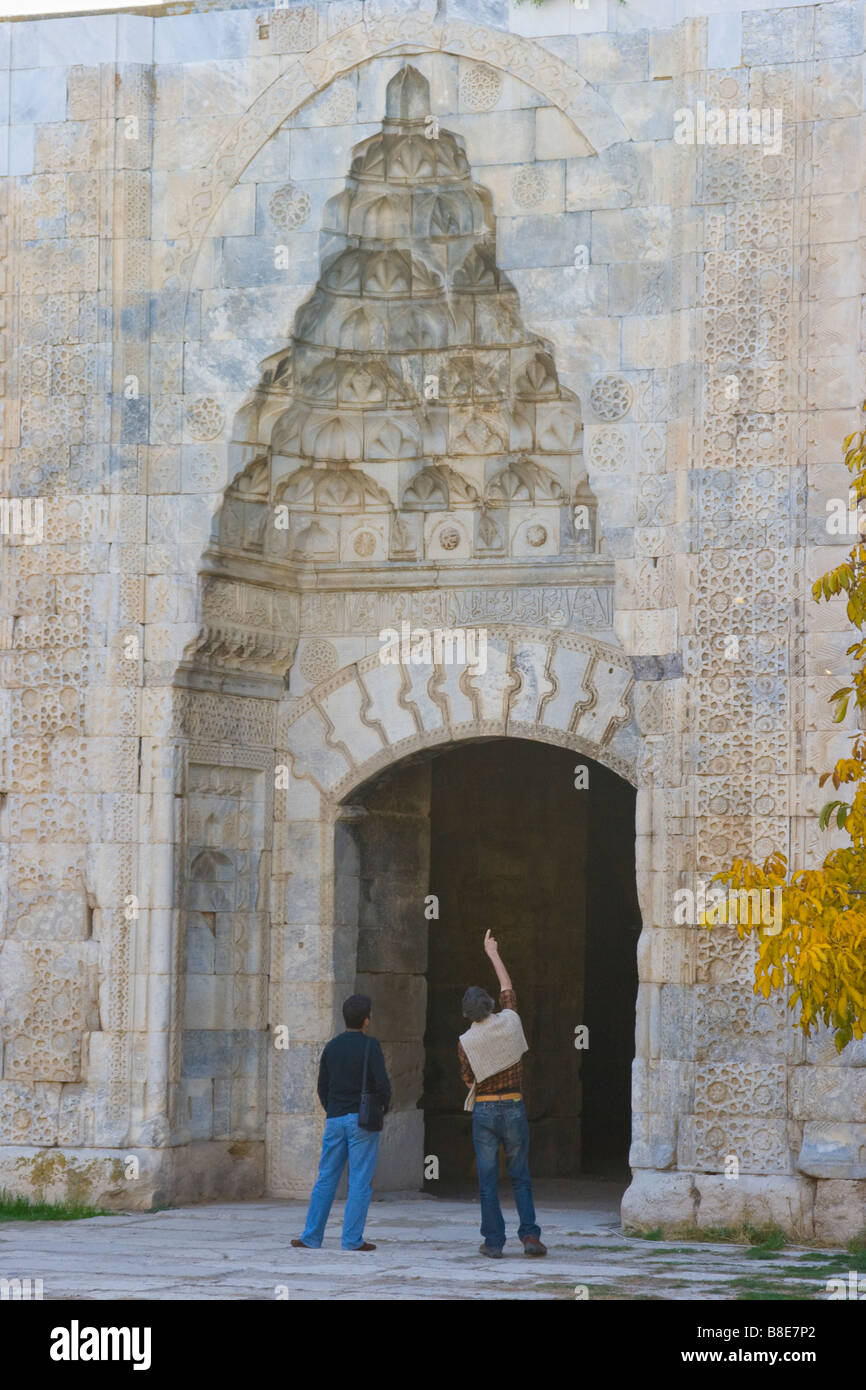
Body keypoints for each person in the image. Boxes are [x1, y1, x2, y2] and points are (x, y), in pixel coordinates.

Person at [458, 931, 547, 1259]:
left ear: (468, 1014)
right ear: (491, 1004)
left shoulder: (466, 1041)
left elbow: (469, 1080)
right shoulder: (511, 1022)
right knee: (520, 1175)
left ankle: (494, 1242)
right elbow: (508, 988)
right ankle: (529, 1237)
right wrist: (492, 952)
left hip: (484, 1110)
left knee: (487, 1181)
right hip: (513, 1106)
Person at [292, 993, 391, 1252]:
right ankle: (352, 1240)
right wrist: (382, 1108)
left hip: (335, 1118)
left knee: (326, 1178)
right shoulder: (371, 1046)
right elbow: (382, 1084)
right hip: (361, 1120)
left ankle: (311, 1237)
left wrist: (333, 1108)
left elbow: (322, 1086)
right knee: (359, 1181)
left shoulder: (332, 1046)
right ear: (367, 1020)